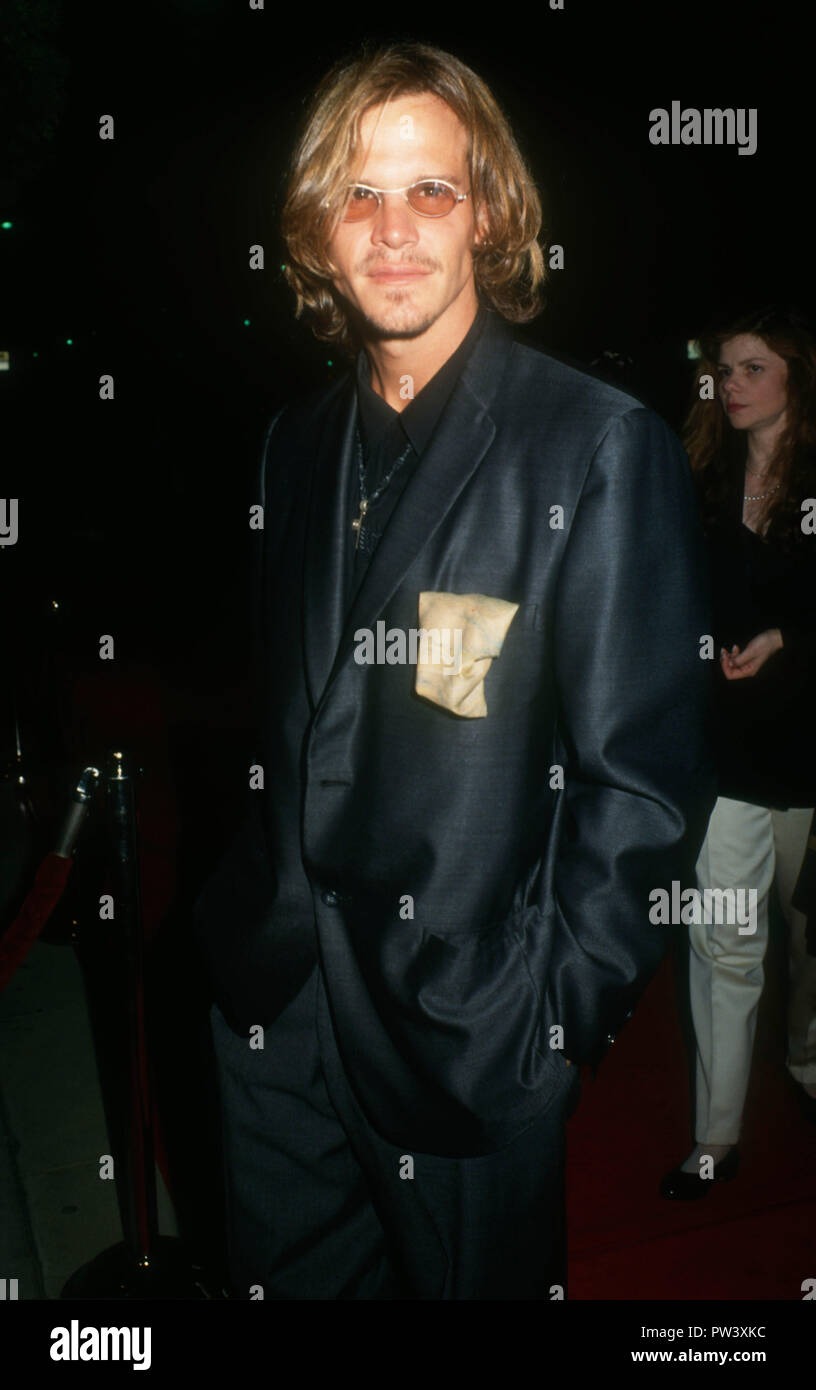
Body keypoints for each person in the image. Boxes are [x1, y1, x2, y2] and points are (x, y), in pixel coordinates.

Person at [192, 40, 714, 1299]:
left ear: (490, 214)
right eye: (358, 193)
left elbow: (638, 794)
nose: (395, 229)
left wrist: (547, 1022)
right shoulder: (292, 444)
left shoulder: (592, 446)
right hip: (274, 1007)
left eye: (432, 190)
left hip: (469, 1043)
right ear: (315, 231)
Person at [660, 305, 816, 1200]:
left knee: (809, 933)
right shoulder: (701, 477)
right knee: (723, 941)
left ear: (795, 376)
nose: (732, 385)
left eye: (753, 369)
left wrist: (788, 641)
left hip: (809, 745)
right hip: (723, 753)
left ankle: (805, 1060)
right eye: (724, 369)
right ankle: (715, 1138)